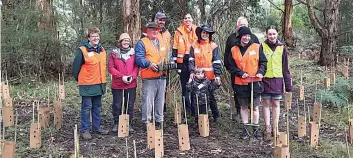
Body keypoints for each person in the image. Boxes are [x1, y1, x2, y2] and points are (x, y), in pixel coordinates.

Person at [228, 27, 267, 140]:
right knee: (244, 106)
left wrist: (260, 72)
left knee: (255, 107)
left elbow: (263, 62)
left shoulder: (257, 47)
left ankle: (255, 129)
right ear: (240, 36)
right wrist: (240, 73)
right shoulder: (233, 49)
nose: (246, 38)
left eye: (248, 36)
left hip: (255, 82)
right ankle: (245, 130)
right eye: (244, 35)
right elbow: (231, 66)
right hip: (240, 83)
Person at [72, 27, 109, 139]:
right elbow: (75, 68)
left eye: (97, 36)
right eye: (93, 36)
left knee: (97, 107)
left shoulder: (102, 50)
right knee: (87, 107)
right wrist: (81, 80)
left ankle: (97, 128)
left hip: (99, 84)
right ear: (88, 38)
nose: (95, 38)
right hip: (87, 85)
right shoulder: (82, 50)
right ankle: (85, 130)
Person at [224, 17, 260, 119]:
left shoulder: (253, 37)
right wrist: (231, 69)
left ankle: (251, 111)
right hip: (236, 72)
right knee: (238, 91)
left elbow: (259, 55)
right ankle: (239, 112)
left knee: (252, 92)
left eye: (245, 25)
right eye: (241, 25)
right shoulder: (231, 38)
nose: (243, 27)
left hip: (252, 73)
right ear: (237, 26)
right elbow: (227, 55)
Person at [135, 22, 168, 129]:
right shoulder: (142, 43)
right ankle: (147, 121)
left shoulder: (162, 41)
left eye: (156, 29)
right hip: (149, 76)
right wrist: (149, 64)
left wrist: (168, 62)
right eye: (151, 29)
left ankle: (159, 120)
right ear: (147, 31)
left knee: (160, 100)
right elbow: (139, 59)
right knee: (148, 100)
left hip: (162, 75)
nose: (154, 31)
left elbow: (168, 55)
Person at [261, 26, 292, 139]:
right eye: (270, 34)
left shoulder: (282, 47)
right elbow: (259, 63)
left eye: (274, 34)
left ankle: (275, 127)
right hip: (265, 79)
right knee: (266, 103)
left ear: (277, 34)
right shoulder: (262, 46)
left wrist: (288, 85)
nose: (272, 36)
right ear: (266, 35)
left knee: (276, 103)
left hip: (277, 80)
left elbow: (285, 67)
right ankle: (267, 127)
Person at [188, 24, 222, 122]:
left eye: (207, 33)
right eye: (204, 32)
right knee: (196, 96)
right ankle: (196, 117)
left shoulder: (213, 45)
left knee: (210, 96)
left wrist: (217, 75)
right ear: (200, 33)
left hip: (209, 77)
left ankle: (216, 115)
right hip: (197, 76)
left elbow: (216, 61)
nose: (205, 35)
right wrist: (191, 72)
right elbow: (191, 60)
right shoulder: (194, 45)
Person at [108, 33, 138, 133]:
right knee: (117, 104)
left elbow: (136, 67)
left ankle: (128, 124)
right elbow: (111, 68)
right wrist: (122, 76)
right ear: (120, 42)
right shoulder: (114, 53)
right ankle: (117, 123)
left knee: (129, 104)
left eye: (127, 40)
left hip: (131, 84)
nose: (126, 42)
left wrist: (132, 77)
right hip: (117, 84)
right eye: (124, 40)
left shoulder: (134, 53)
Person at [172, 13, 198, 116]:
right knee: (185, 87)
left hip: (194, 63)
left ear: (192, 19)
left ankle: (194, 110)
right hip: (182, 64)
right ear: (183, 20)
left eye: (189, 18)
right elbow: (174, 49)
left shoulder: (197, 30)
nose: (187, 20)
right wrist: (177, 66)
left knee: (194, 86)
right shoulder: (178, 32)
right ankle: (187, 110)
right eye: (185, 18)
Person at [154, 12, 172, 112]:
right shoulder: (151, 31)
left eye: (164, 20)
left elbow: (169, 49)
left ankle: (161, 110)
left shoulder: (167, 33)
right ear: (155, 20)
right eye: (160, 20)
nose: (162, 22)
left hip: (165, 66)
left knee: (164, 88)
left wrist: (169, 61)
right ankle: (153, 111)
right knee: (154, 89)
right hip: (154, 66)